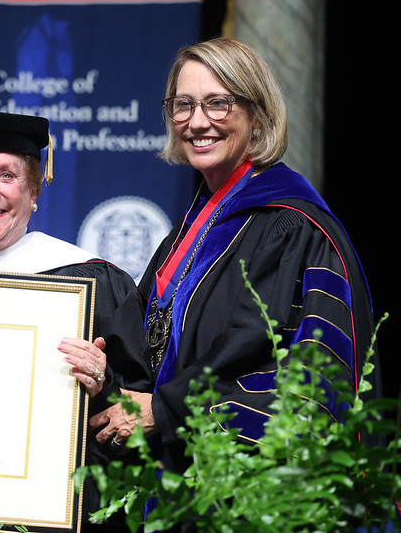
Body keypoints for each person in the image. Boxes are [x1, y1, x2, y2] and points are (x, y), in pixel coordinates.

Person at [89, 37, 376, 480]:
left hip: (252, 497)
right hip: (178, 487)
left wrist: (164, 412)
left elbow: (308, 381)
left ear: (257, 115)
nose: (197, 122)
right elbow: (145, 349)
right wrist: (103, 379)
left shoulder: (292, 227)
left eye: (217, 104)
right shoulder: (187, 233)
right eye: (183, 105)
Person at [0, 110, 152, 531]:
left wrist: (102, 386)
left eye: (7, 176)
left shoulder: (91, 279)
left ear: (32, 192)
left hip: (58, 509)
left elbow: (138, 415)